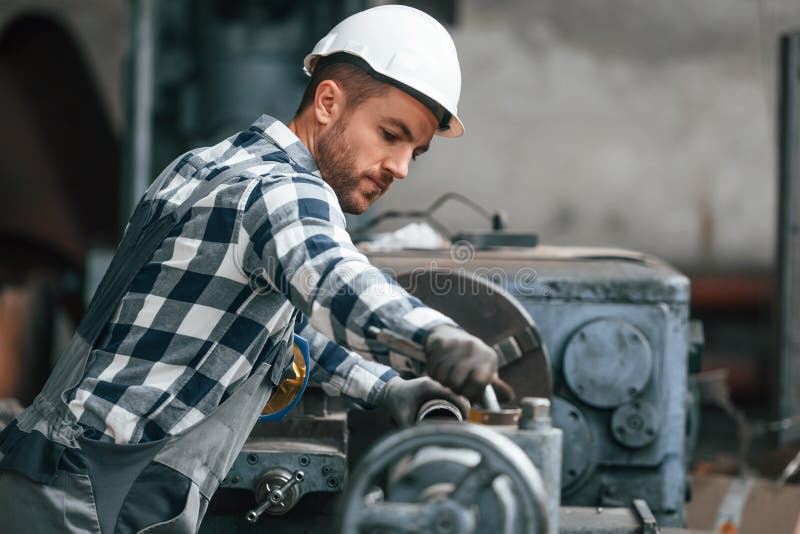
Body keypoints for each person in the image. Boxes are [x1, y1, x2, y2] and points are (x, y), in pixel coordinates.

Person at [0, 5, 507, 533]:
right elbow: (333, 280)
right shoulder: (284, 189)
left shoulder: (205, 165)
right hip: (96, 497)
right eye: (390, 134)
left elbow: (280, 329)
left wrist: (387, 388)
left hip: (48, 470)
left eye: (415, 153)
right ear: (329, 101)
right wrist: (435, 338)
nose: (399, 168)